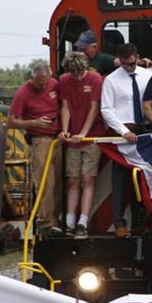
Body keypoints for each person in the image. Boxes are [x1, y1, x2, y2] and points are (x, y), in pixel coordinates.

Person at [99, 43, 152, 237]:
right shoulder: (111, 81)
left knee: (143, 179)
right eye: (124, 64)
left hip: (145, 133)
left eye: (131, 64)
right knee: (120, 181)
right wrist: (123, 131)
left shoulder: (149, 76)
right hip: (123, 134)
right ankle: (119, 223)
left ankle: (140, 222)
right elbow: (106, 109)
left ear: (137, 57)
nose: (128, 67)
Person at [6, 60, 63, 235]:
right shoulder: (23, 93)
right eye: (39, 83)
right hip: (40, 140)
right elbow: (11, 121)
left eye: (46, 82)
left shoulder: (55, 84)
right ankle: (46, 222)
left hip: (59, 138)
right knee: (45, 182)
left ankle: (58, 219)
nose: (43, 86)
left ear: (50, 76)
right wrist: (34, 123)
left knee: (60, 181)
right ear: (32, 78)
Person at [59, 51, 105, 238]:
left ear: (85, 68)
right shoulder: (64, 80)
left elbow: (94, 107)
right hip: (73, 138)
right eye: (73, 73)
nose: (77, 77)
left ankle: (83, 221)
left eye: (79, 73)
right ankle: (69, 220)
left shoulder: (95, 79)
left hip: (91, 136)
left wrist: (83, 133)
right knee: (72, 180)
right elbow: (65, 106)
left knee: (88, 179)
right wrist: (65, 130)